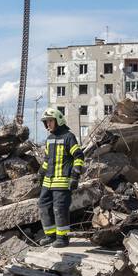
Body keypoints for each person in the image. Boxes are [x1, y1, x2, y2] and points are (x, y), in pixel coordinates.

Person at [36, 106, 83, 248]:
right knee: (43, 206)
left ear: (58, 120)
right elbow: (47, 161)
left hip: (62, 182)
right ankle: (50, 235)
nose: (48, 124)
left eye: (50, 121)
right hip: (48, 182)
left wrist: (75, 176)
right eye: (46, 122)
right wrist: (40, 173)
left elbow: (79, 156)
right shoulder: (49, 139)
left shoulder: (69, 137)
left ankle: (62, 239)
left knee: (59, 209)